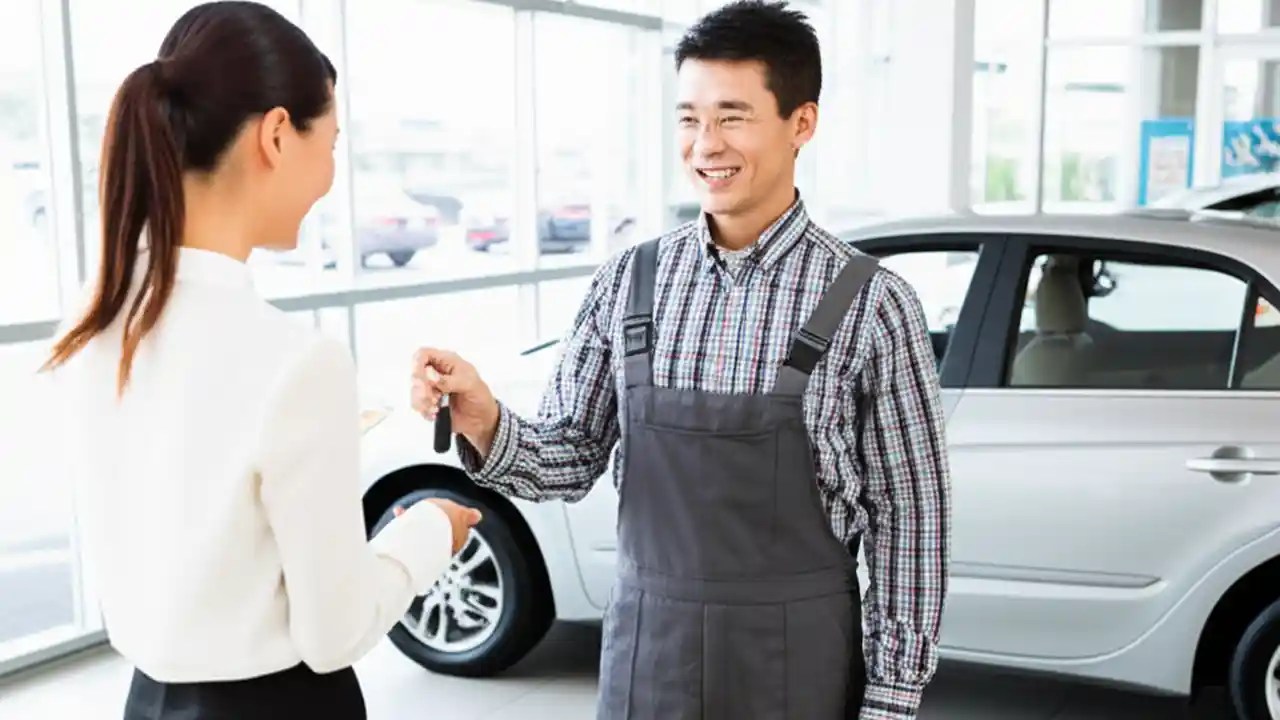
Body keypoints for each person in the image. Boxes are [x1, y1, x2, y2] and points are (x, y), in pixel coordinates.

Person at [411, 1, 951, 718]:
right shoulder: (629, 281)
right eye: (689, 118)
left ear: (802, 123)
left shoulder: (873, 305)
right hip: (649, 656)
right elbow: (569, 457)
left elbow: (910, 523)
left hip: (797, 663)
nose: (705, 145)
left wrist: (890, 701)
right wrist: (483, 417)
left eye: (733, 116)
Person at [40, 3, 480, 718]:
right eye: (331, 142)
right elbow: (335, 631)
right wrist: (429, 529)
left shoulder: (90, 329)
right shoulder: (295, 361)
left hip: (147, 699)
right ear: (278, 134)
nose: (331, 174)